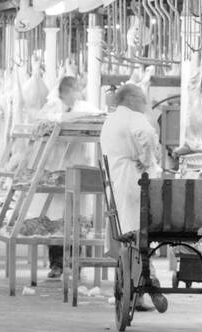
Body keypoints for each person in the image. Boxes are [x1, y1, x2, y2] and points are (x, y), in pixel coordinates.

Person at [100, 83, 166, 312]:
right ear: (132, 100)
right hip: (134, 182)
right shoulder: (132, 117)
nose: (144, 105)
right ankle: (149, 280)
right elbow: (147, 134)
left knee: (128, 238)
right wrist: (146, 159)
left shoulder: (111, 119)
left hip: (117, 182)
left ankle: (137, 289)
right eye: (142, 100)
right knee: (140, 235)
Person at [40, 76, 99, 279]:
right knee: (55, 220)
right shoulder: (53, 108)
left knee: (77, 219)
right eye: (68, 93)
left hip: (78, 170)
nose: (72, 96)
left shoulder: (87, 108)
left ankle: (75, 263)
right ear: (63, 93)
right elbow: (46, 122)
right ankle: (56, 264)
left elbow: (96, 119)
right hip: (56, 171)